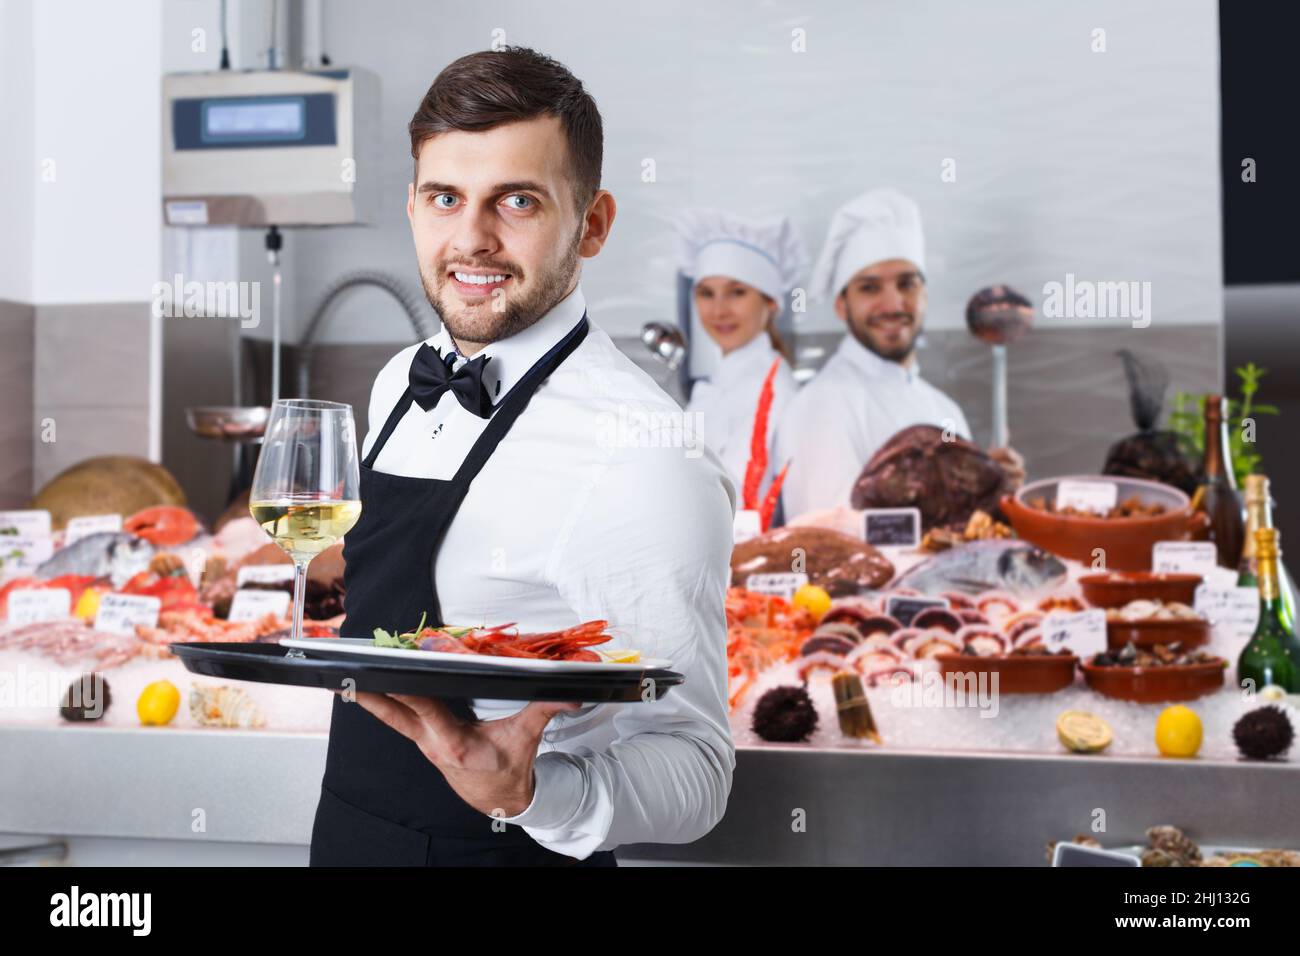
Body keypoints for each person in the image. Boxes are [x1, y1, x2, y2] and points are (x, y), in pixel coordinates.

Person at [309, 47, 736, 867]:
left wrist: (530, 791)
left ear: (593, 223)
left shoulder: (644, 456)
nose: (471, 240)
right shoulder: (402, 378)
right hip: (349, 834)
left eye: (517, 201)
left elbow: (698, 768)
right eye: (445, 198)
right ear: (412, 206)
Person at [775, 189, 1025, 520]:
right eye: (870, 287)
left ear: (924, 295)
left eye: (907, 284)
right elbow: (827, 543)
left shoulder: (942, 407)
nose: (893, 304)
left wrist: (995, 493)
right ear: (841, 305)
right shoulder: (820, 405)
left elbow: (968, 535)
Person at [676, 209, 806, 503]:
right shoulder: (720, 382)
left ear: (771, 301)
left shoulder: (773, 388)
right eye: (706, 293)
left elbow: (739, 498)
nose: (719, 310)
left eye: (736, 292)